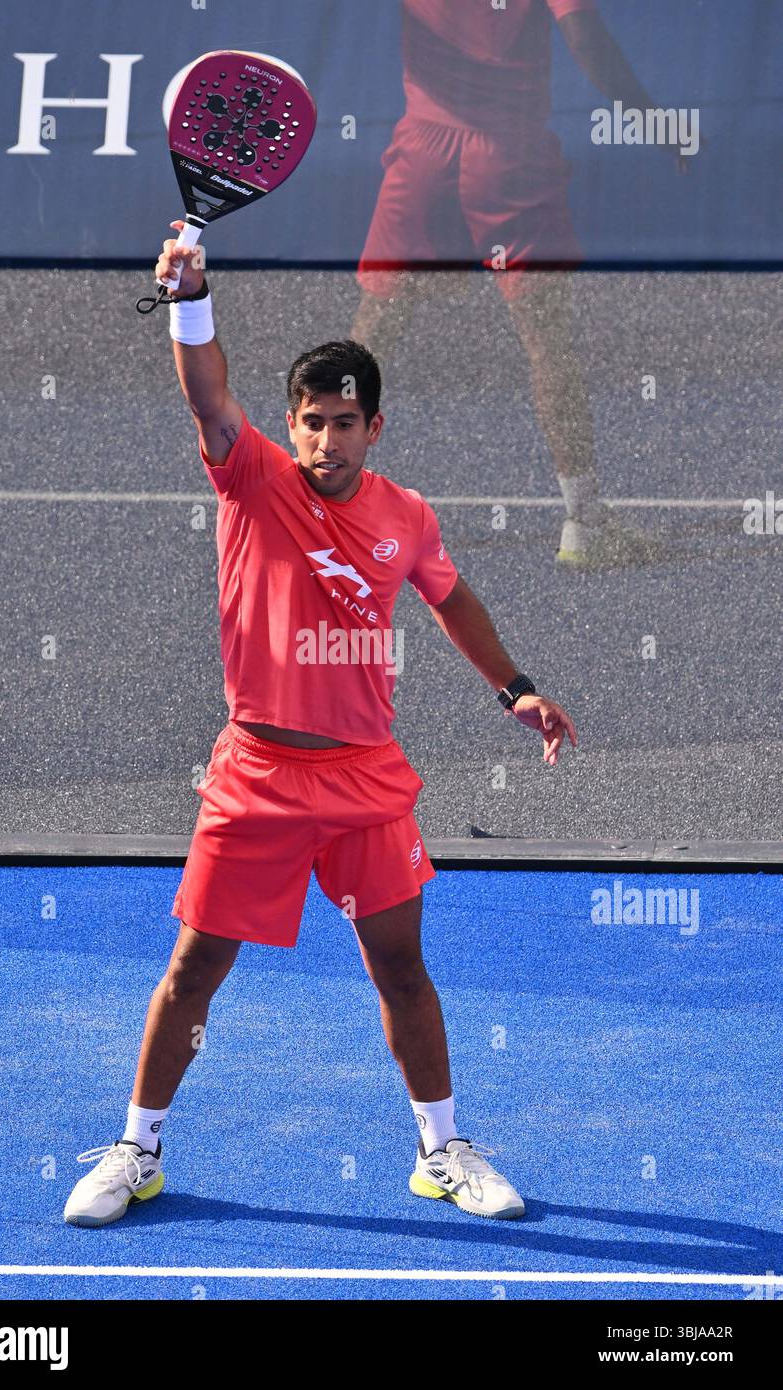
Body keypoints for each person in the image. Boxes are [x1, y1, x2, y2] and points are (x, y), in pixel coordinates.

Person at [64, 224, 578, 1228]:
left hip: (364, 780)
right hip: (255, 773)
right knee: (194, 968)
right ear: (291, 426)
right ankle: (138, 1147)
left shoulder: (406, 515)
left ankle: (442, 1149)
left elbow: (451, 601)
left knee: (399, 963)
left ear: (372, 429)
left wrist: (512, 685)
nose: (326, 441)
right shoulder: (250, 479)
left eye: (345, 424)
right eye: (311, 421)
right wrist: (191, 296)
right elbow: (208, 394)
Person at [354, 0, 697, 566]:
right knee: (548, 346)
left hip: (422, 162)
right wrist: (652, 119)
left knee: (372, 339)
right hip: (509, 162)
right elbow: (585, 39)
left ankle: (314, 507)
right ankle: (584, 522)